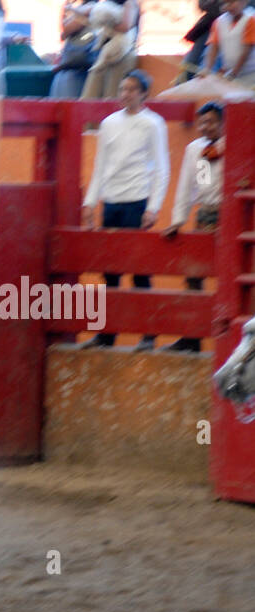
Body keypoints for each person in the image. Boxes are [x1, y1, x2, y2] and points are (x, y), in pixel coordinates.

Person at [79, 70, 169, 350]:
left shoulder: (153, 124)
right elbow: (100, 165)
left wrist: (153, 207)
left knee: (139, 270)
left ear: (143, 94)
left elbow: (162, 169)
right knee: (110, 273)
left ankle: (149, 333)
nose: (125, 93)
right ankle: (107, 335)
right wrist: (90, 202)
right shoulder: (108, 123)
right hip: (111, 201)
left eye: (131, 89)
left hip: (137, 200)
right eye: (122, 88)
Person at [164, 101, 224, 352]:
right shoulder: (196, 149)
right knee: (193, 275)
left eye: (210, 121)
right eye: (202, 122)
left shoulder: (237, 143)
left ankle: (230, 341)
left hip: (230, 217)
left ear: (223, 123)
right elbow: (190, 187)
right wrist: (178, 220)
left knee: (229, 277)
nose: (204, 127)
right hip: (206, 215)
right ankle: (192, 336)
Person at [80, 0, 139, 99]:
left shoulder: (129, 3)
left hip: (122, 54)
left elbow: (126, 26)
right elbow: (86, 14)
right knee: (90, 95)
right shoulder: (105, 4)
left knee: (112, 95)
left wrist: (103, 25)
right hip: (103, 53)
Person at [199, 0, 255, 87]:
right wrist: (207, 69)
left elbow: (246, 52)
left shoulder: (250, 19)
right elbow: (214, 47)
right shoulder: (219, 22)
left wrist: (233, 73)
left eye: (232, 2)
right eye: (224, 3)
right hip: (231, 73)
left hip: (251, 74)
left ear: (244, 2)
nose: (228, 6)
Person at [51, 2, 96, 98]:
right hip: (72, 65)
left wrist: (70, 9)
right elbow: (64, 29)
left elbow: (67, 30)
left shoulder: (93, 7)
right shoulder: (81, 8)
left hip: (79, 67)